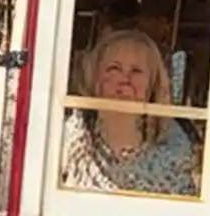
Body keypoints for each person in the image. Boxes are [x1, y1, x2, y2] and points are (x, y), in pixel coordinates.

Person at [60, 29, 198, 196]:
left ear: (152, 84)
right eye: (114, 68)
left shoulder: (174, 143)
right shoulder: (71, 137)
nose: (125, 79)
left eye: (136, 71)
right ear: (96, 79)